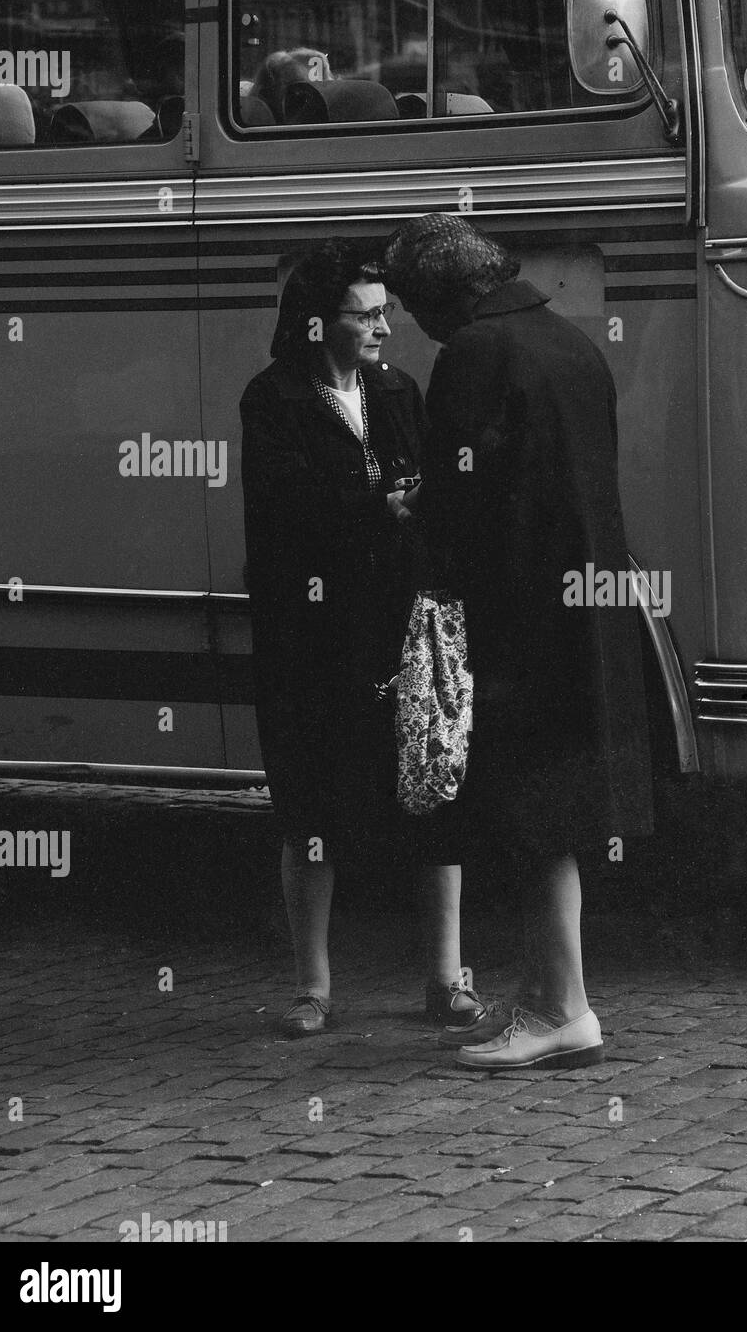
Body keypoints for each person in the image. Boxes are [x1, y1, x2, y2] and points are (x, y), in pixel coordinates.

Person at [382, 214, 653, 1070]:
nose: (418, 325)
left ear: (446, 295)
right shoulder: (569, 343)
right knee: (559, 819)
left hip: (519, 622)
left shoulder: (476, 354)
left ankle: (558, 1009)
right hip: (586, 611)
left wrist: (409, 513)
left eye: (417, 305)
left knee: (532, 817)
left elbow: (461, 498)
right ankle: (547, 999)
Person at [240, 240, 485, 1037]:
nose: (383, 327)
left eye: (385, 312)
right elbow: (286, 509)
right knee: (311, 804)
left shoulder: (398, 389)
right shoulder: (273, 399)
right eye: (366, 314)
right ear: (315, 325)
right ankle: (313, 986)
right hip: (311, 638)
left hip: (397, 628)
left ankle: (444, 979)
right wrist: (383, 504)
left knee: (431, 791)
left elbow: (435, 494)